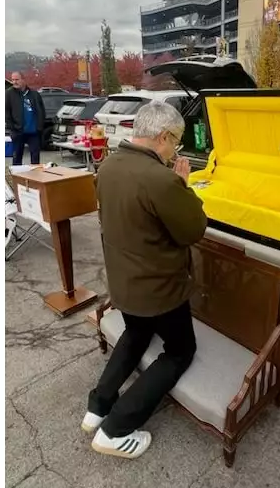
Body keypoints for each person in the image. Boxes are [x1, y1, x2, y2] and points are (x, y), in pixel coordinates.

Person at [83, 100, 207, 459]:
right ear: (164, 136)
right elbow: (193, 230)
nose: (175, 152)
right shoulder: (161, 179)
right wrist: (182, 186)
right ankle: (116, 429)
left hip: (125, 282)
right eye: (177, 143)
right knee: (180, 351)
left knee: (136, 332)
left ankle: (98, 406)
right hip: (159, 289)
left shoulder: (108, 166)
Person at [5, 71, 46, 164]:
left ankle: (35, 177)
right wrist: (12, 128)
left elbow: (41, 111)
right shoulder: (9, 94)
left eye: (17, 79)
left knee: (35, 158)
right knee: (17, 157)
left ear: (23, 80)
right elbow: (6, 113)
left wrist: (40, 126)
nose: (14, 82)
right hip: (18, 132)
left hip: (33, 133)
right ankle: (17, 177)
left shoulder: (34, 94)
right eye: (12, 80)